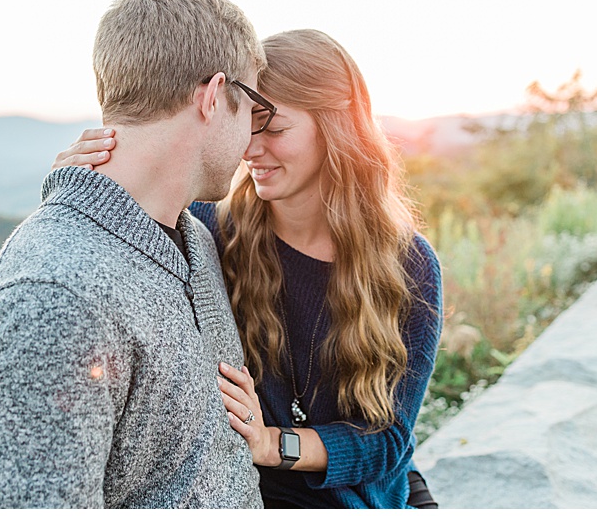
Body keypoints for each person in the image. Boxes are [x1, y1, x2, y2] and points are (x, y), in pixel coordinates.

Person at [55, 29, 443, 509]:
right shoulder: (210, 229)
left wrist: (272, 442)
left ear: (337, 130)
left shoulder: (408, 266)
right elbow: (111, 243)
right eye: (246, 126)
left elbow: (387, 440)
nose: (251, 150)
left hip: (365, 498)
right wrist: (74, 186)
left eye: (275, 130)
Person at [0, 0, 269, 508]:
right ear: (215, 96)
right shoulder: (52, 305)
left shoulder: (191, 237)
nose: (252, 137)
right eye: (254, 110)